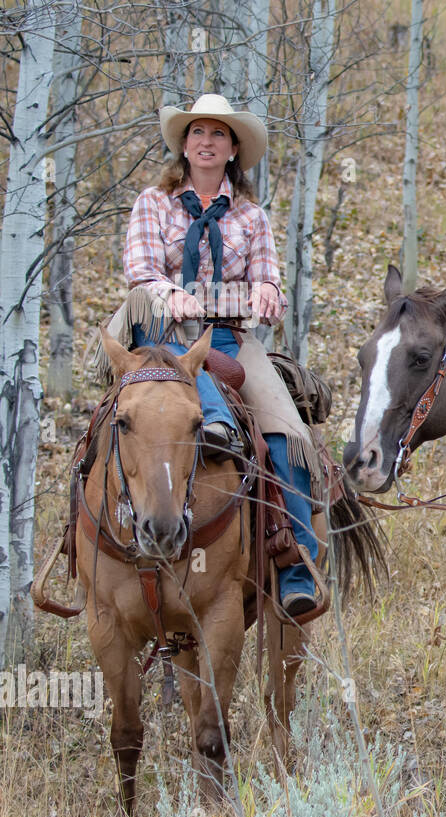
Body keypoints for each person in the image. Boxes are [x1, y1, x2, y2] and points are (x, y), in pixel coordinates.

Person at [114, 93, 323, 618]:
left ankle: (297, 568)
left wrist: (267, 292)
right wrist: (172, 294)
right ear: (184, 145)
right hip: (161, 340)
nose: (206, 142)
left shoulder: (251, 217)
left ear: (233, 150)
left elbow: (268, 285)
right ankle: (91, 537)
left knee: (288, 437)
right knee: (117, 425)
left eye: (218, 134)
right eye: (198, 133)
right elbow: (141, 272)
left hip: (229, 341)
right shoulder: (152, 203)